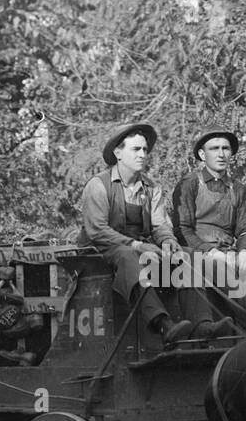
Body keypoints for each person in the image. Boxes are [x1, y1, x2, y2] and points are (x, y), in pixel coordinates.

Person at [77, 123, 196, 345]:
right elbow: (97, 230)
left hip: (138, 250)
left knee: (186, 256)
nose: (142, 154)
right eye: (136, 149)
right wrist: (137, 246)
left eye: (144, 149)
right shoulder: (98, 185)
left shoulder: (151, 188)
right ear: (118, 153)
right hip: (99, 253)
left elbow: (159, 224)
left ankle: (202, 326)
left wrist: (168, 241)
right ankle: (163, 324)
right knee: (128, 256)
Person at [170, 130, 246, 330]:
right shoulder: (189, 184)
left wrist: (244, 252)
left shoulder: (239, 190)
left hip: (228, 251)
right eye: (214, 149)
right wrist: (210, 251)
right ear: (202, 155)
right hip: (197, 252)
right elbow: (182, 230)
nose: (221, 154)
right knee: (220, 268)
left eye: (225, 148)